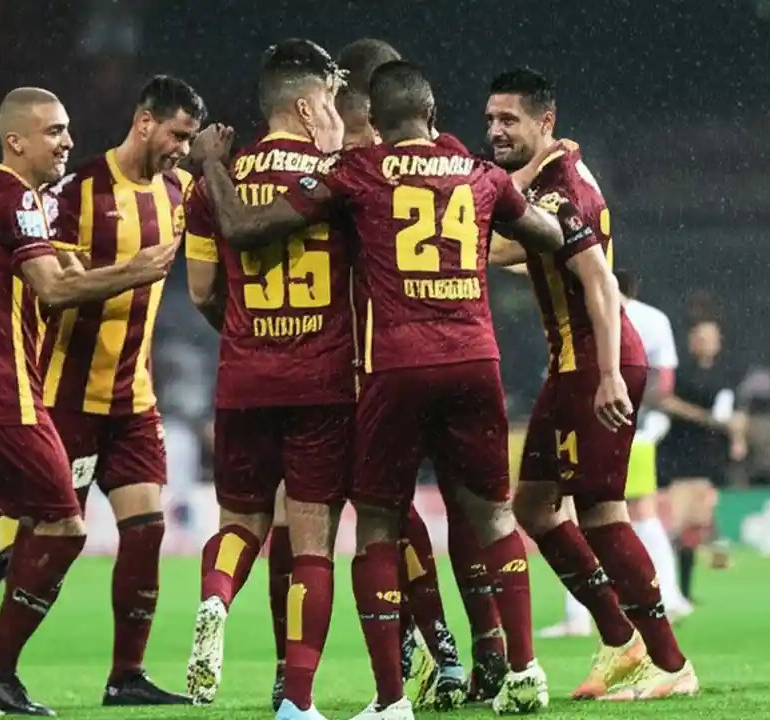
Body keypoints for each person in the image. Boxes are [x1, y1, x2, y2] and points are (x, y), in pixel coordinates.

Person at [195, 60, 566, 720]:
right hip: (475, 359)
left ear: (377, 120)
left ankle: (392, 700)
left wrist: (212, 164)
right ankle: (523, 667)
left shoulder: (357, 174)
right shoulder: (477, 173)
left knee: (377, 524)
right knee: (490, 516)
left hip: (391, 366)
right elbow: (549, 233)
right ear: (432, 114)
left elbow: (246, 231)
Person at [0, 87, 177, 717]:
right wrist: (138, 269)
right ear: (16, 141)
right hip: (7, 390)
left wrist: (75, 259)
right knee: (64, 524)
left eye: (68, 129)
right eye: (54, 131)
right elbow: (53, 291)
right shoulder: (19, 201)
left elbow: (34, 265)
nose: (67, 142)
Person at [0, 76, 205, 706]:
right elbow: (51, 283)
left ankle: (126, 676)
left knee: (147, 528)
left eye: (189, 138)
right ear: (145, 122)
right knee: (56, 542)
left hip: (134, 400)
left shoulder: (179, 188)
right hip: (69, 399)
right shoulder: (78, 191)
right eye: (176, 135)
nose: (181, 148)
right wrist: (121, 273)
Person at [484, 67, 698, 702]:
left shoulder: (564, 190)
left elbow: (603, 286)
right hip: (570, 365)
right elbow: (509, 251)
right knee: (533, 507)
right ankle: (619, 639)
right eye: (491, 118)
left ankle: (670, 662)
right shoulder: (550, 179)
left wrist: (609, 376)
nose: (495, 129)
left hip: (598, 366)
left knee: (603, 513)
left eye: (509, 120)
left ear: (544, 123)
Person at [181, 38, 348, 720]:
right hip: (321, 381)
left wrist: (250, 334)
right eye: (332, 98)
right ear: (309, 104)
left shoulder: (213, 179)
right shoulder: (340, 174)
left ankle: (216, 597)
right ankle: (296, 702)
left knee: (242, 520)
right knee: (310, 541)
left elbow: (199, 291)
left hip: (245, 377)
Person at [334, 38, 468, 713]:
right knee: (442, 509)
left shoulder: (350, 166)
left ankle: (413, 661)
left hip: (370, 363)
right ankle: (456, 649)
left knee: (378, 517)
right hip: (455, 354)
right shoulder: (445, 156)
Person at [538, 270, 692, 638]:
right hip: (637, 430)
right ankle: (669, 596)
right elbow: (663, 383)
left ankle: (580, 614)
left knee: (577, 514)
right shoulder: (656, 320)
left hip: (598, 428)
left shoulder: (588, 313)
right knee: (638, 514)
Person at [659, 318, 748, 601]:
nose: (706, 342)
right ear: (691, 341)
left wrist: (738, 438)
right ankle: (677, 581)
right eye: (701, 337)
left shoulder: (728, 374)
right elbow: (665, 401)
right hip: (682, 451)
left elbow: (737, 410)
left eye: (711, 337)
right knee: (683, 522)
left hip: (712, 454)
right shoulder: (681, 373)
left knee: (692, 524)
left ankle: (681, 589)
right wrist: (704, 418)